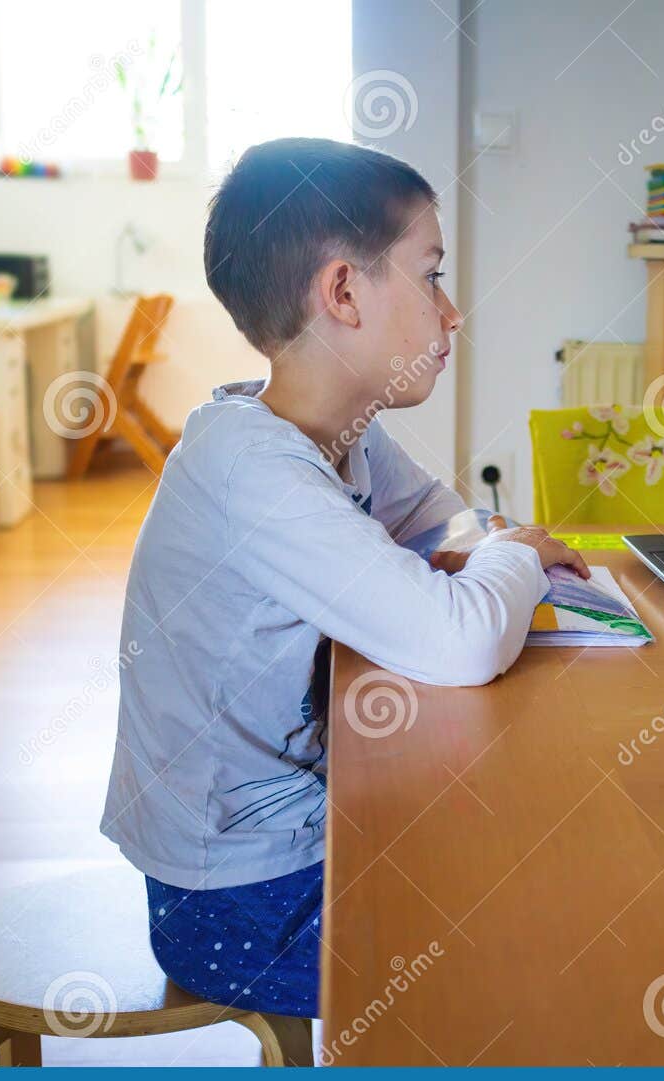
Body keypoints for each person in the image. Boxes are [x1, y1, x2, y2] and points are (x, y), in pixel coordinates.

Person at [100, 138, 587, 1021]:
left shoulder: (339, 430)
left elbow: (444, 523)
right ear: (343, 293)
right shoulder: (251, 469)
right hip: (237, 899)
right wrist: (515, 553)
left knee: (531, 851)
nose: (452, 311)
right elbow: (463, 636)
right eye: (431, 275)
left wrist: (485, 549)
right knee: (536, 944)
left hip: (288, 844)